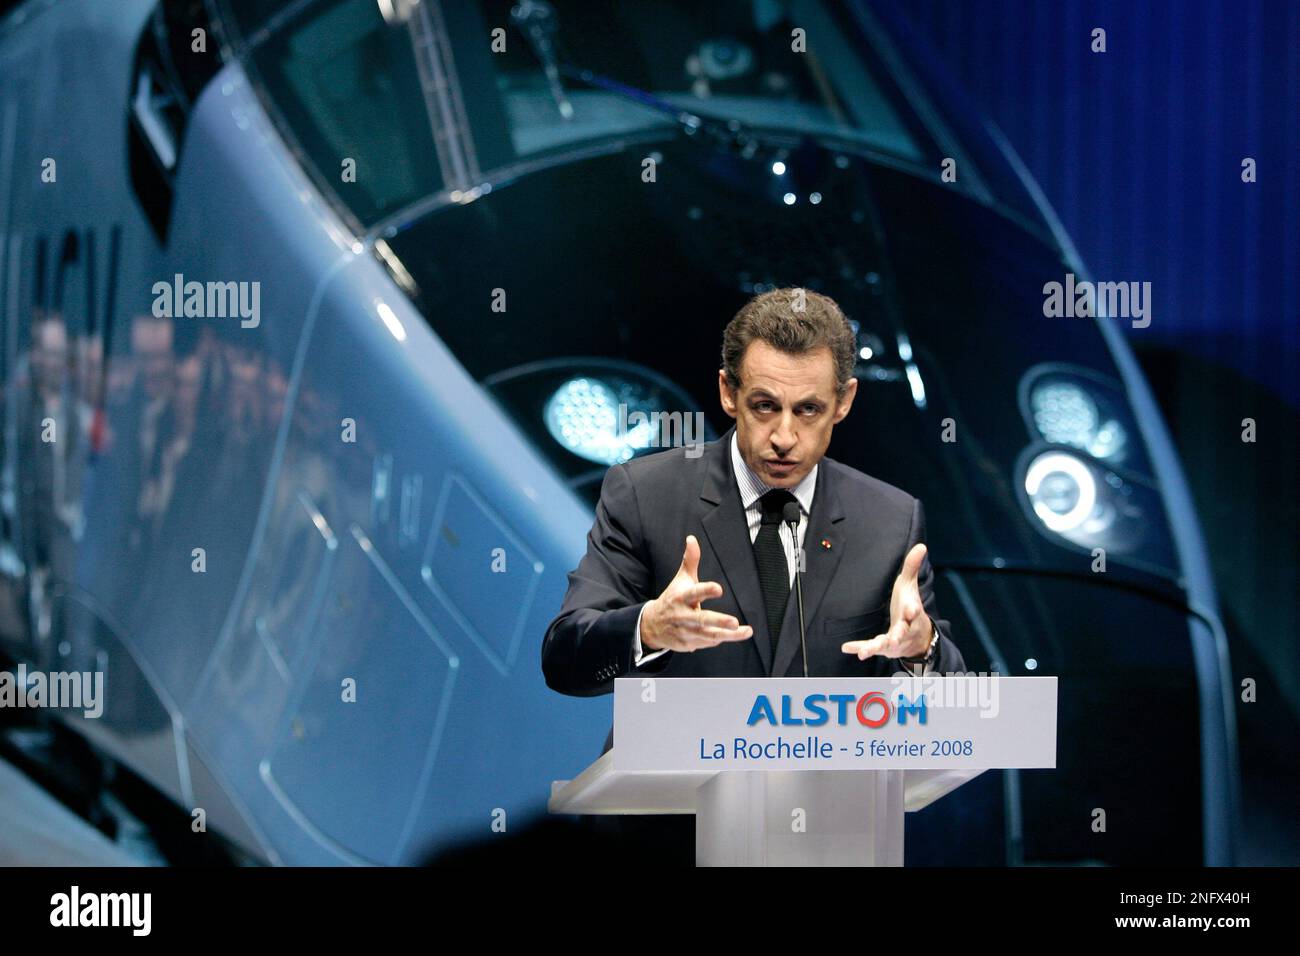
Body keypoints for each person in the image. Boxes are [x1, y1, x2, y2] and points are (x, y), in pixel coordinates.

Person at [542, 287, 966, 732]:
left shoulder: (890, 521)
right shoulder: (644, 494)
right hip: (669, 799)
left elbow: (952, 706)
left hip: (825, 799)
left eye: (808, 410)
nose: (784, 436)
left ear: (844, 402)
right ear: (728, 392)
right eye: (765, 406)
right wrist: (647, 628)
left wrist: (923, 649)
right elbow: (564, 659)